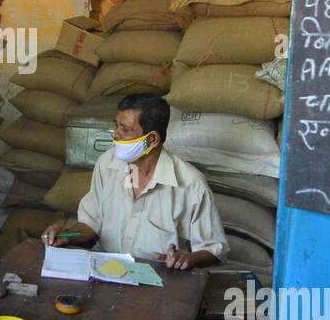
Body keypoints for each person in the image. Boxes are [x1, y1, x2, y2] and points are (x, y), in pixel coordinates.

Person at [41, 93, 227, 269]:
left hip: (157, 277)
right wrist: (67, 235)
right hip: (103, 268)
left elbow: (214, 249)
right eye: (116, 126)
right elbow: (90, 223)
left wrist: (189, 258)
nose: (115, 134)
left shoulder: (190, 185)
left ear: (152, 139)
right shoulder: (107, 164)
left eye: (126, 130)